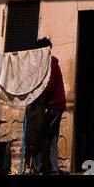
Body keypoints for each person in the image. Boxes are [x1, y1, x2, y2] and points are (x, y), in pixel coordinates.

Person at [32, 37, 66, 174]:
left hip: (51, 107)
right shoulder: (53, 64)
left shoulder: (50, 65)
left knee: (39, 139)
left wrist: (35, 95)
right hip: (58, 106)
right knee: (52, 140)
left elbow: (49, 87)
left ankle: (37, 170)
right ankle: (55, 170)